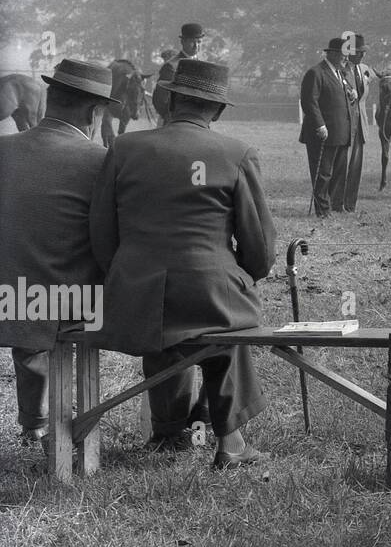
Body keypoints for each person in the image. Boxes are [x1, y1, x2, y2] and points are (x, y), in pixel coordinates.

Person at [90, 60, 276, 468]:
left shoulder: (124, 148)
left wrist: (126, 274)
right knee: (228, 327)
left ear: (170, 100)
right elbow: (260, 250)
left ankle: (169, 428)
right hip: (210, 290)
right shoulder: (237, 154)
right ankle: (230, 439)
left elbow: (101, 233)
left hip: (136, 290)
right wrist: (242, 275)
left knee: (164, 321)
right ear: (219, 110)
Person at [0, 59, 117, 449]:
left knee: (24, 283)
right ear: (94, 112)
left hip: (10, 299)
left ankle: (33, 424)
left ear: (49, 99)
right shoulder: (100, 160)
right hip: (78, 303)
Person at [299, 36, 359, 217]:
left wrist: (352, 92)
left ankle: (334, 207)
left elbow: (341, 95)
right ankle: (323, 211)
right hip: (323, 133)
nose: (346, 59)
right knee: (323, 174)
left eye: (347, 56)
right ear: (332, 54)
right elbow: (309, 102)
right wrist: (320, 125)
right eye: (343, 55)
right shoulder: (316, 73)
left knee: (339, 173)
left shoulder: (340, 74)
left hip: (341, 133)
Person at [152, 23, 203, 124]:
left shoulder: (202, 66)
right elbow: (160, 99)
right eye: (192, 42)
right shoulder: (171, 66)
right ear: (183, 42)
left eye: (199, 42)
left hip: (197, 122)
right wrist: (171, 118)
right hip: (175, 123)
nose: (196, 46)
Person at [343, 34, 371, 212]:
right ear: (350, 52)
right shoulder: (342, 70)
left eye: (363, 52)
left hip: (361, 125)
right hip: (346, 125)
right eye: (359, 52)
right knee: (343, 167)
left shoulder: (363, 69)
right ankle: (336, 202)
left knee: (356, 168)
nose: (362, 55)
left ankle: (350, 205)